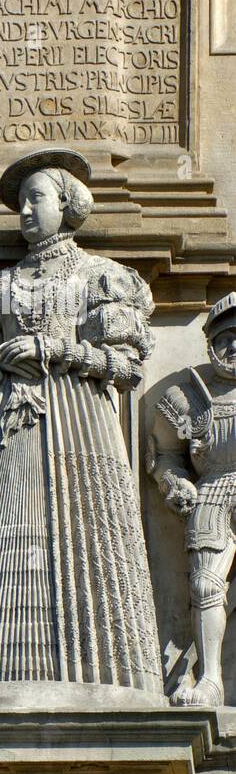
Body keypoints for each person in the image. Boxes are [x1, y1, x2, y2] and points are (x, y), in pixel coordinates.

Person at [0, 148, 163, 700]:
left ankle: (108, 677)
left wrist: (65, 352)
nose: (26, 213)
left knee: (91, 533)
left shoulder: (105, 279)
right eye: (20, 204)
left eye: (36, 198)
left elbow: (127, 365)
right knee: (3, 530)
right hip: (5, 423)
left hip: (82, 420)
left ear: (68, 204)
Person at [150, 292, 236, 706]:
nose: (235, 345)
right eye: (227, 335)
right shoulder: (188, 396)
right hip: (214, 487)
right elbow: (164, 454)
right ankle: (212, 678)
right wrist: (175, 481)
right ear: (211, 341)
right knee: (204, 584)